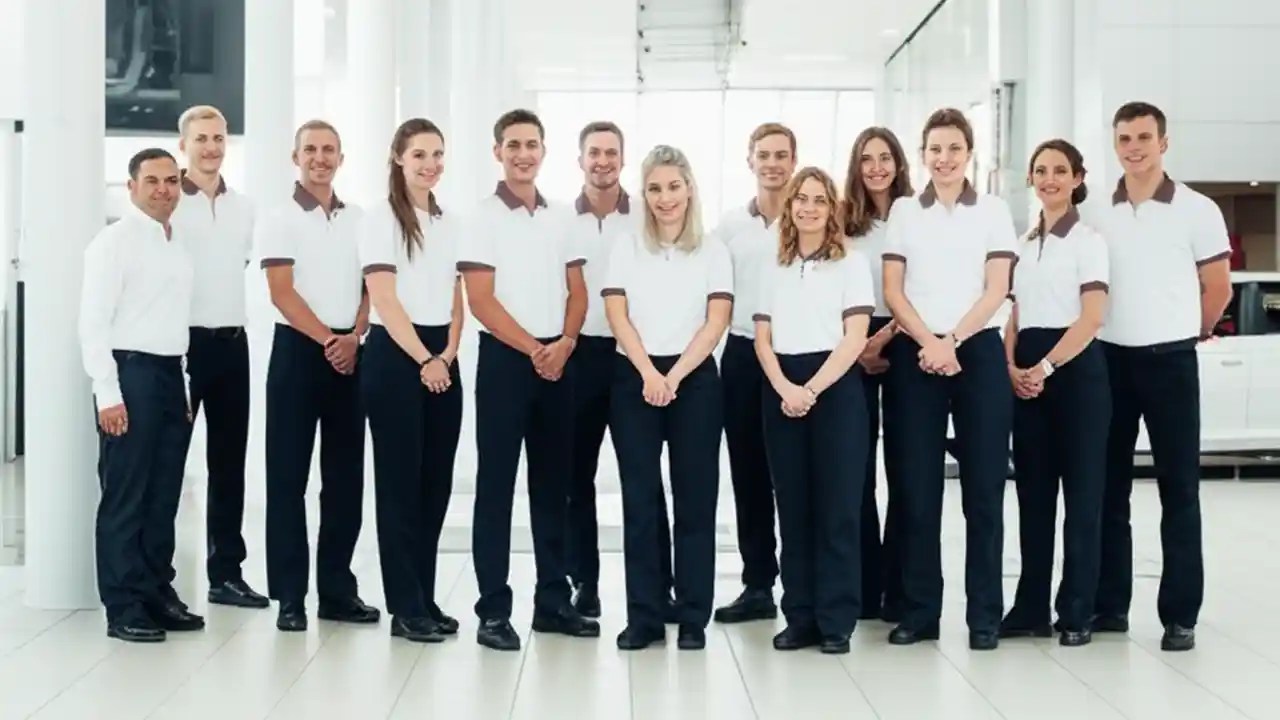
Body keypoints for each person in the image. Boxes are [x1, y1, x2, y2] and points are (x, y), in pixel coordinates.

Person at [1092, 102, 1232, 652]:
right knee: (1108, 490)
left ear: (1164, 142)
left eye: (1144, 137)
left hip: (1172, 360)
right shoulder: (1097, 211)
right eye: (1124, 137)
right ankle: (1109, 607)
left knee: (1179, 489)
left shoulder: (1197, 209)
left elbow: (1217, 288)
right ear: (1115, 143)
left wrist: (1189, 331)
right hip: (1109, 361)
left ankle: (1180, 616)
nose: (1134, 147)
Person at [457, 108, 599, 651]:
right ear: (497, 151)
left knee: (554, 487)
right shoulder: (480, 217)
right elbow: (481, 301)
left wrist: (563, 344)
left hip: (559, 362)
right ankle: (494, 609)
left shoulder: (564, 217)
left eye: (532, 144)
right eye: (513, 144)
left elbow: (578, 291)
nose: (523, 154)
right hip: (505, 364)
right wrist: (537, 348)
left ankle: (553, 602)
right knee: (495, 487)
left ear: (544, 151)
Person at [882, 108, 1017, 651]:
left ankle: (984, 615)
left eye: (954, 148)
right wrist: (930, 343)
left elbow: (997, 289)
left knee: (983, 492)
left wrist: (953, 342)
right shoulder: (903, 212)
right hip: (917, 354)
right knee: (916, 491)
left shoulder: (993, 210)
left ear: (969, 153)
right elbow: (894, 289)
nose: (944, 158)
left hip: (976, 352)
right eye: (935, 149)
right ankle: (920, 612)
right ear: (923, 154)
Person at [604, 144, 732, 651]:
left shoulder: (713, 249)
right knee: (640, 502)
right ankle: (645, 616)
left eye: (673, 186)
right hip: (634, 376)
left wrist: (674, 375)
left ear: (690, 189)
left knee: (696, 499)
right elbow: (618, 314)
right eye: (655, 188)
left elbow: (716, 320)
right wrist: (649, 374)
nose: (665, 198)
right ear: (645, 193)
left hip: (694, 379)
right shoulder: (626, 246)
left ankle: (694, 615)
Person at [256, 120, 380, 632]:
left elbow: (374, 283)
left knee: (346, 479)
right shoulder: (278, 217)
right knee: (288, 479)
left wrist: (355, 334)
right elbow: (281, 292)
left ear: (342, 158)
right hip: (298, 353)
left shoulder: (361, 219)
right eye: (311, 150)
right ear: (296, 156)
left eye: (329, 150)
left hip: (352, 353)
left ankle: (336, 589)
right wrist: (331, 341)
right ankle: (289, 596)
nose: (320, 158)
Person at [80, 148, 202, 642]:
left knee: (163, 496)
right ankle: (124, 605)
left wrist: (186, 386)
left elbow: (172, 320)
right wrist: (107, 393)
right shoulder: (113, 243)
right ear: (131, 187)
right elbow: (92, 323)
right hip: (130, 375)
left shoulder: (176, 244)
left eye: (171, 180)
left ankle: (156, 593)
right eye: (152, 181)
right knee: (126, 495)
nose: (163, 189)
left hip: (171, 378)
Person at [755, 167, 875, 655]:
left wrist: (811, 390)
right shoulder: (772, 267)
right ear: (790, 207)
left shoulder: (852, 263)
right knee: (794, 507)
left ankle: (836, 619)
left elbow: (855, 338)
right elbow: (762, 340)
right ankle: (799, 615)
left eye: (818, 200)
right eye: (800, 199)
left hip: (836, 389)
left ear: (832, 209)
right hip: (781, 388)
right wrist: (787, 386)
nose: (808, 207)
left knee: (838, 509)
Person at [564, 120, 675, 620]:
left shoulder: (647, 219)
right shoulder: (562, 220)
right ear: (581, 160)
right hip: (581, 355)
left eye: (611, 152)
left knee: (645, 479)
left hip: (638, 360)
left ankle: (660, 587)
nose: (602, 161)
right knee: (575, 476)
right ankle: (583, 582)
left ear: (622, 160)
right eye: (594, 153)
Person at [1001, 139, 1110, 647]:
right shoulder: (1022, 244)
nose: (1049, 179)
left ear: (1077, 178)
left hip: (1076, 373)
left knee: (1083, 498)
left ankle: (1077, 611)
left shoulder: (1088, 240)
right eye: (1040, 170)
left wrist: (1043, 366)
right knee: (1034, 498)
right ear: (1031, 178)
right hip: (1028, 376)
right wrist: (1012, 367)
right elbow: (1015, 316)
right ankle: (1029, 607)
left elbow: (1091, 317)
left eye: (1059, 171)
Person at [360, 118, 464, 643]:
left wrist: (447, 353)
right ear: (398, 157)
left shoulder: (448, 221)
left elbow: (456, 298)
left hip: (442, 356)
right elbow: (383, 298)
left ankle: (424, 596)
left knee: (435, 484)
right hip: (398, 356)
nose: (430, 164)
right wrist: (426, 357)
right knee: (400, 486)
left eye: (438, 154)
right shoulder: (380, 219)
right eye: (420, 154)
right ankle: (405, 607)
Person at [170, 105, 267, 610]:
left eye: (219, 138)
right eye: (202, 138)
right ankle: (158, 575)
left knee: (228, 465)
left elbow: (243, 262)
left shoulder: (245, 207)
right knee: (169, 462)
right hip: (182, 347)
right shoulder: (168, 203)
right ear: (183, 144)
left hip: (233, 343)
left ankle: (226, 574)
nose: (211, 147)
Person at [711, 122, 795, 625]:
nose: (772, 164)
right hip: (743, 354)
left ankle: (802, 584)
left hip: (795, 354)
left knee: (795, 475)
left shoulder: (811, 216)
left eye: (781, 155)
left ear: (793, 159)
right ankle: (758, 584)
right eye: (763, 155)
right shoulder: (729, 227)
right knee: (748, 474)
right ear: (750, 160)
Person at [840, 126, 914, 622]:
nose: (877, 168)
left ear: (899, 163)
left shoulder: (916, 216)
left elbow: (922, 285)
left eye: (885, 157)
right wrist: (858, 344)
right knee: (856, 473)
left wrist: (883, 338)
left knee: (907, 470)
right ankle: (864, 588)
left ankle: (901, 588)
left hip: (907, 340)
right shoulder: (845, 222)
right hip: (852, 347)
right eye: (867, 159)